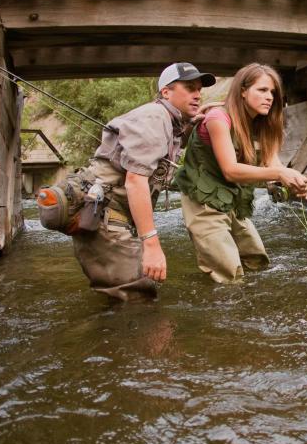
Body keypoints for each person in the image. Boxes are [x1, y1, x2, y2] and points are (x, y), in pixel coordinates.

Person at [71, 62, 215, 300]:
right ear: (166, 93)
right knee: (136, 303)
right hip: (107, 219)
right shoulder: (154, 118)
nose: (197, 95)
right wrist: (151, 244)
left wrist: (190, 123)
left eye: (199, 90)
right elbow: (135, 182)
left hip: (113, 219)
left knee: (135, 301)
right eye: (189, 88)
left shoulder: (168, 121)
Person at [172, 62, 307, 283]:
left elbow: (273, 164)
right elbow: (230, 171)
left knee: (257, 260)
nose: (269, 97)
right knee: (228, 273)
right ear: (243, 91)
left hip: (234, 199)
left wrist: (296, 181)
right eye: (262, 90)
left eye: (272, 92)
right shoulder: (218, 118)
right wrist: (279, 175)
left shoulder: (264, 124)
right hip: (203, 200)